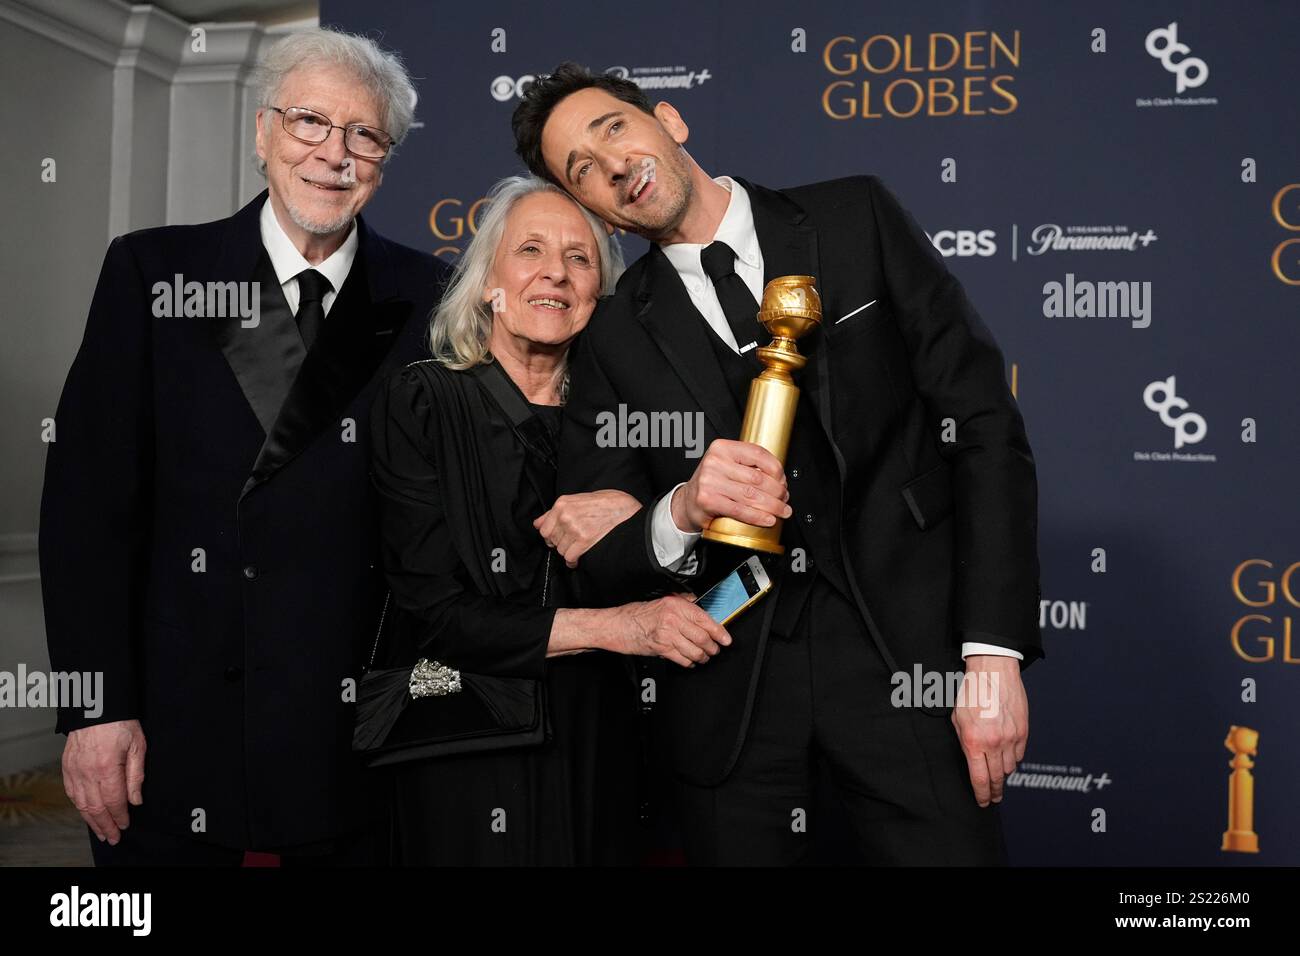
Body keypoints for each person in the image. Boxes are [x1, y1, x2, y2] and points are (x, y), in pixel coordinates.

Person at [511, 63, 1044, 865]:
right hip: (730, 710)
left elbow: (983, 428)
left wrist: (992, 656)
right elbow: (603, 553)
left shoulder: (853, 217)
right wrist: (682, 509)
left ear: (668, 120)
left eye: (613, 129)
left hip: (909, 671)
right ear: (589, 205)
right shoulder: (614, 335)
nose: (612, 166)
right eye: (581, 169)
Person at [39, 28, 448, 865]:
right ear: (263, 133)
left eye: (364, 134)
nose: (333, 153)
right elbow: (87, 511)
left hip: (354, 731)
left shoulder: (432, 294)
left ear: (385, 159)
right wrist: (96, 709)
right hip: (174, 721)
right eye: (309, 122)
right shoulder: (156, 272)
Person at [369, 174, 731, 865]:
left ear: (601, 293)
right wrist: (621, 628)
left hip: (609, 741)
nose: (555, 274)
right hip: (466, 743)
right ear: (488, 281)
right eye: (530, 250)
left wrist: (650, 516)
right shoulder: (423, 402)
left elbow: (707, 570)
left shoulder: (638, 423)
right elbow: (433, 612)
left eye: (579, 257)